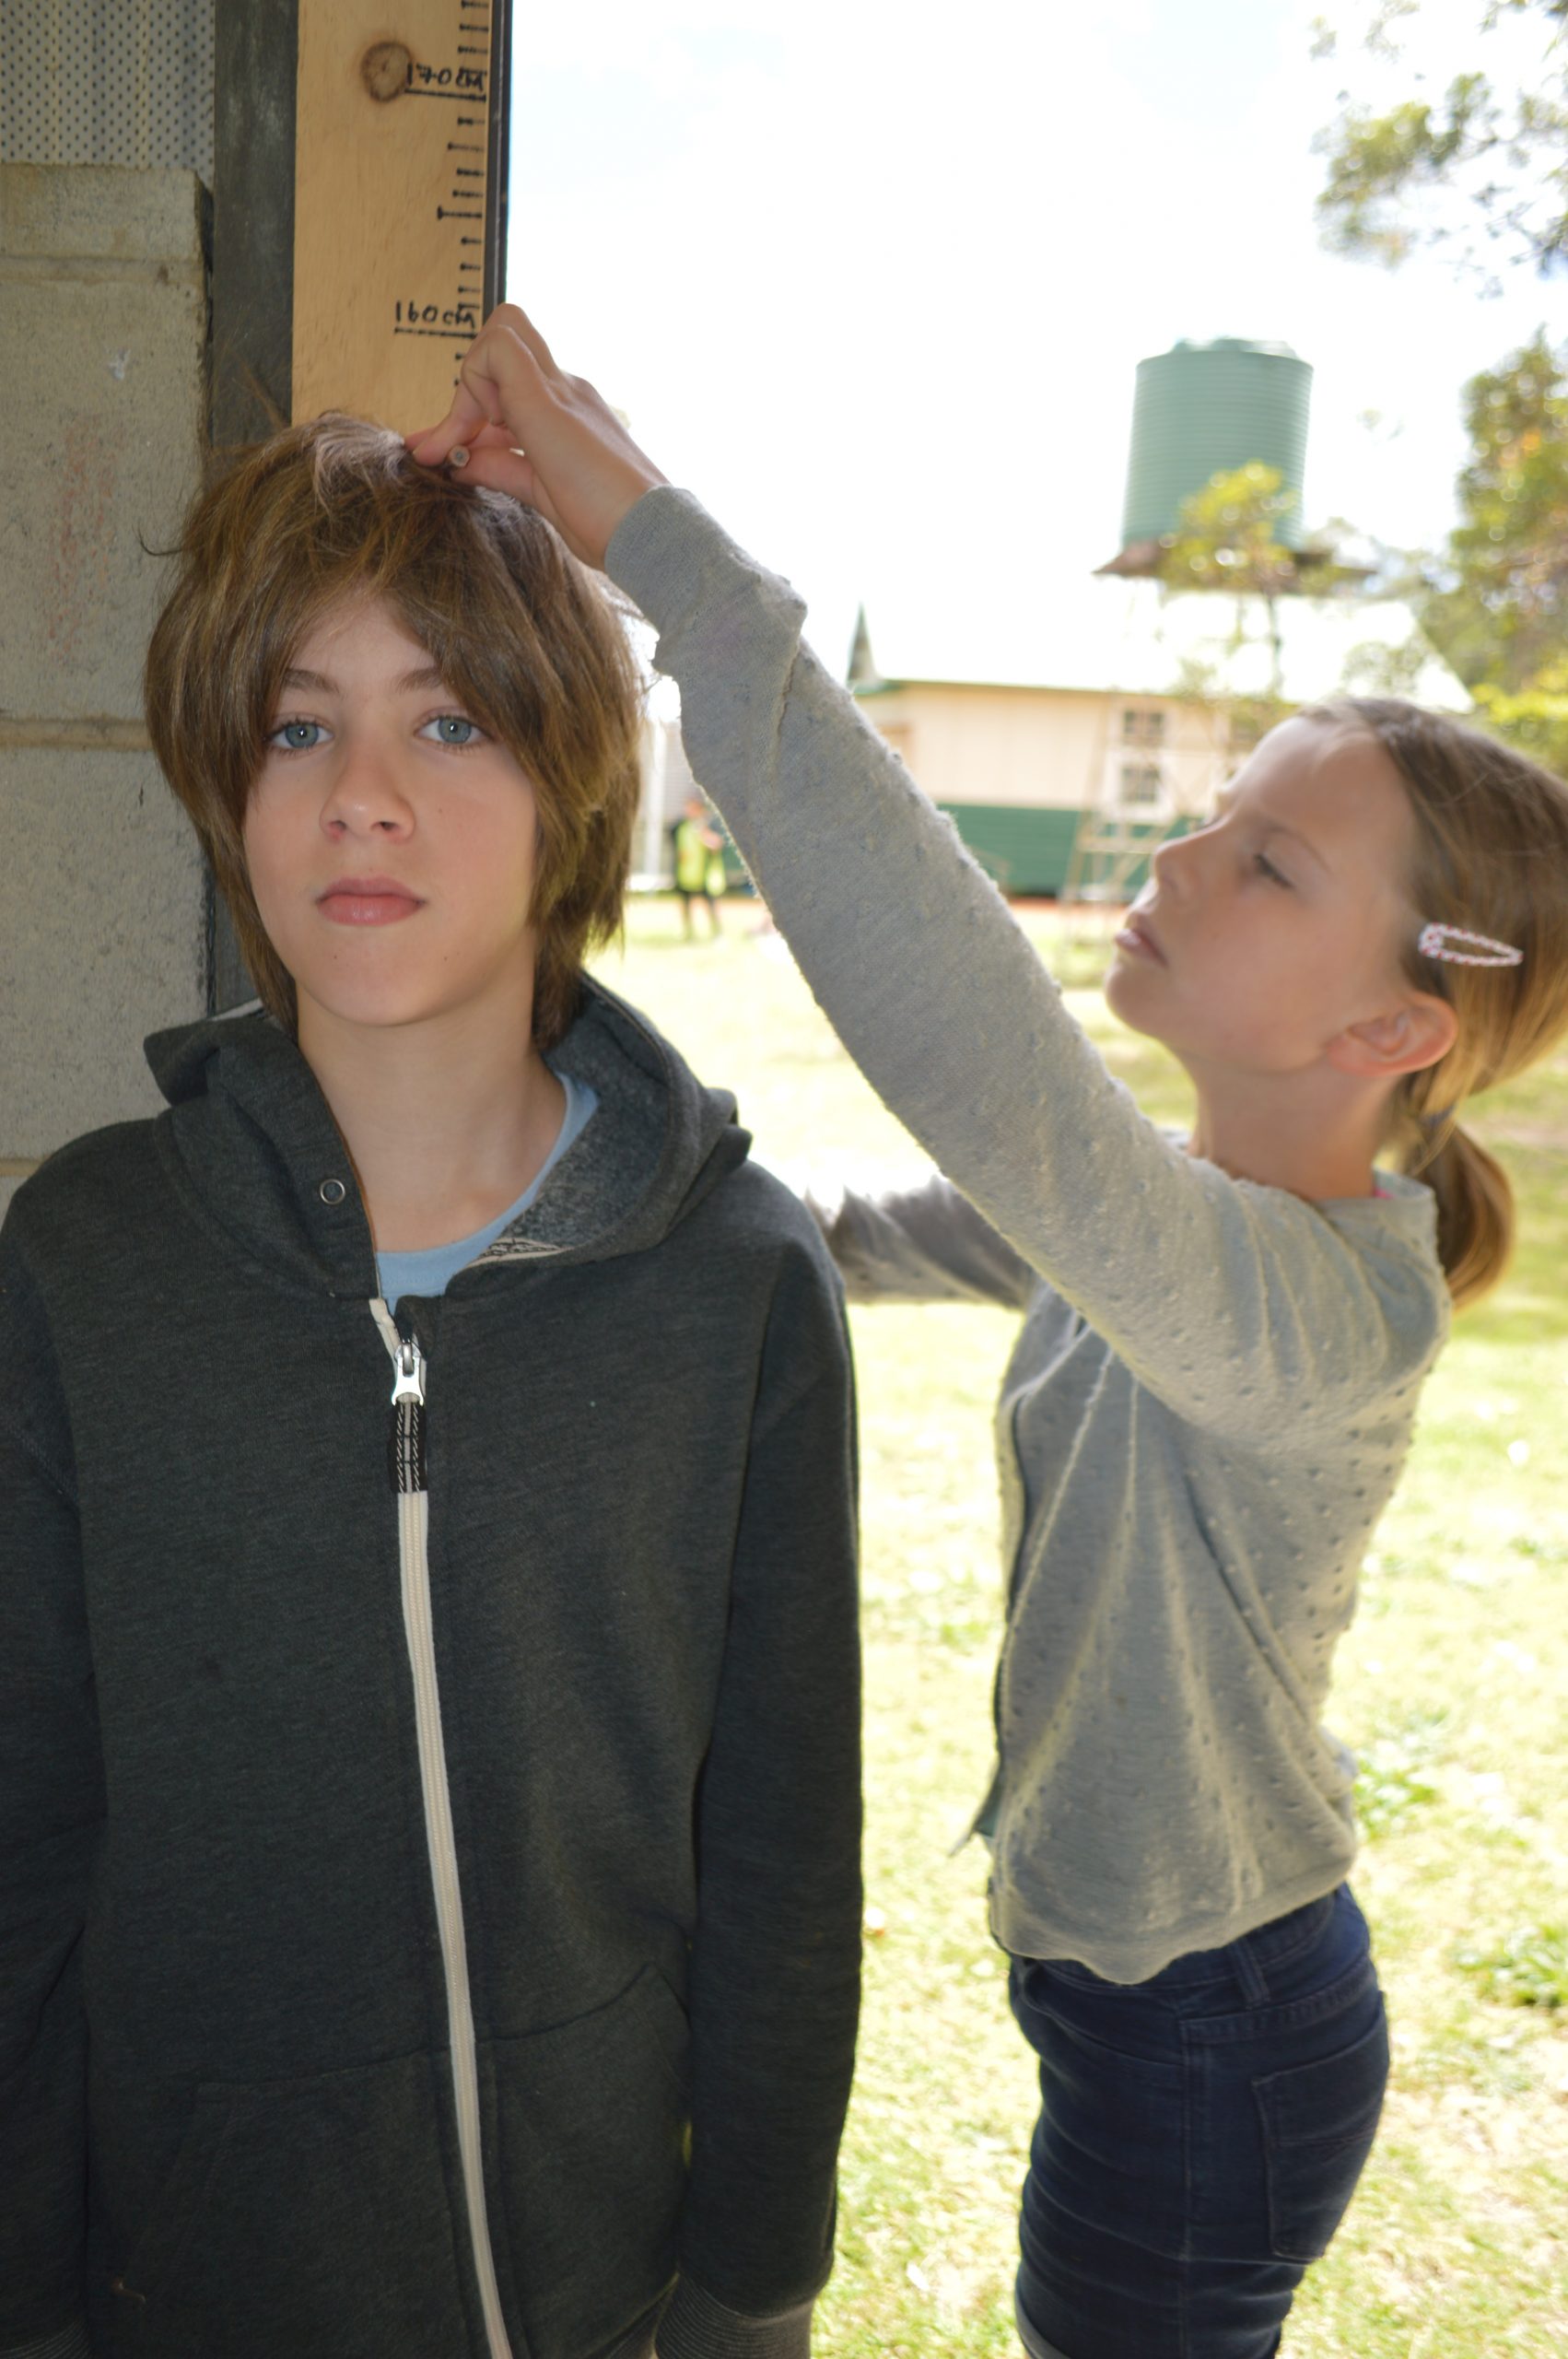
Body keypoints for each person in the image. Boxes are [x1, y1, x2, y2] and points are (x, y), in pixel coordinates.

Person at [405, 306, 1568, 2359]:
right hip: (1140, 1985)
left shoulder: (1302, 1310)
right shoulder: (1175, 1225)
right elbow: (852, 1226)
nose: (1176, 853)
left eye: (1265, 860)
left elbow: (979, 1056)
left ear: (1389, 1029)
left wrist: (663, 553)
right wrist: (524, 1187)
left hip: (1210, 2033)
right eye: (1217, 810)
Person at [0, 416, 862, 2359]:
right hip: (189, 2282)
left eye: (451, 721)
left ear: (572, 787)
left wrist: (750, 2281)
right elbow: (27, 1823)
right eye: (299, 726)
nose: (362, 796)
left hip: (605, 2282)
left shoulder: (732, 1283)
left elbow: (787, 1845)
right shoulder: (89, 1261)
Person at [671, 792, 728, 938]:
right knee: (686, 904)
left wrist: (704, 833)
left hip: (706, 875)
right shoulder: (680, 826)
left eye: (693, 808)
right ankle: (689, 933)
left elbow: (718, 844)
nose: (689, 811)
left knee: (711, 905)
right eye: (688, 807)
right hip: (686, 875)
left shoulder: (710, 824)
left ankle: (717, 933)